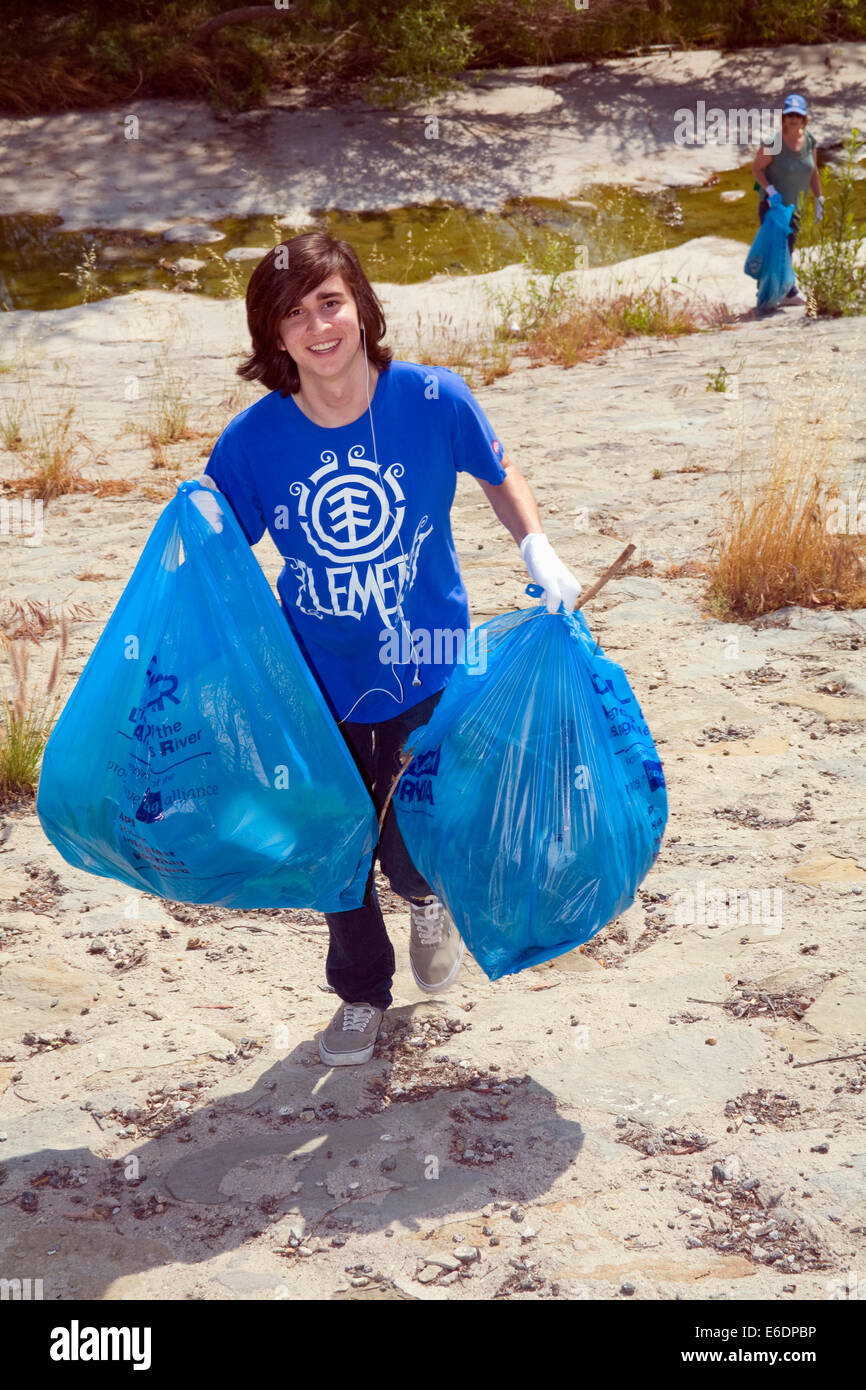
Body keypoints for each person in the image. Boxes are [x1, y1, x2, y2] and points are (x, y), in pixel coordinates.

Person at [194, 232, 581, 1066]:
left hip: (428, 661)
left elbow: (497, 470)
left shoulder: (433, 400)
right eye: (293, 315)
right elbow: (215, 539)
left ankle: (425, 895)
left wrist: (535, 546)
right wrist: (191, 528)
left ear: (362, 306)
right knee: (335, 842)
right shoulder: (256, 439)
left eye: (330, 302)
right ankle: (361, 992)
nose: (318, 326)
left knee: (410, 847)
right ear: (275, 339)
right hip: (314, 681)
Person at [751, 92, 824, 306]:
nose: (794, 118)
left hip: (795, 207)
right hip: (773, 206)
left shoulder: (809, 140)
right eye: (790, 114)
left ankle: (781, 291)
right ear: (783, 117)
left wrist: (819, 198)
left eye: (798, 115)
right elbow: (757, 169)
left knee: (788, 247)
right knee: (776, 248)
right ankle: (779, 292)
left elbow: (813, 171)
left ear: (804, 118)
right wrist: (770, 190)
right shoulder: (774, 142)